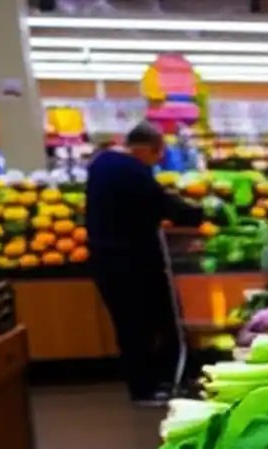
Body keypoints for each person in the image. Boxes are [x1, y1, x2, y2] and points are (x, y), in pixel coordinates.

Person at [86, 121, 204, 405]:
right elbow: (163, 204)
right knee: (138, 326)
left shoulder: (103, 164)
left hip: (108, 260)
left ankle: (159, 381)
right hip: (129, 264)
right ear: (151, 150)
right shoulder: (131, 171)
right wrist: (199, 213)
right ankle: (146, 390)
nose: (159, 162)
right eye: (158, 156)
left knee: (134, 324)